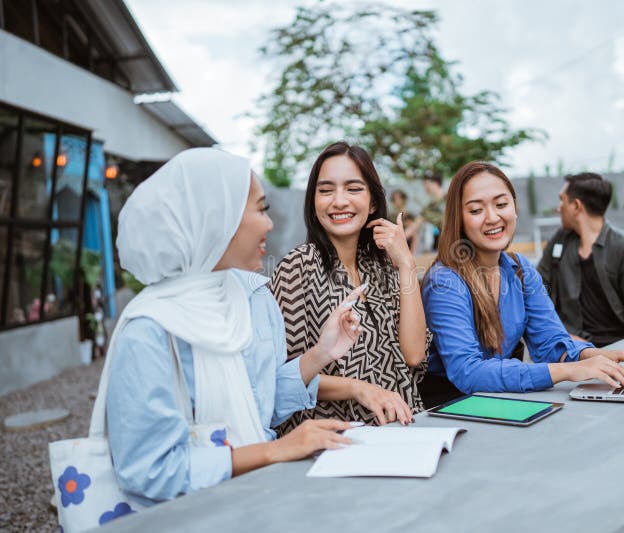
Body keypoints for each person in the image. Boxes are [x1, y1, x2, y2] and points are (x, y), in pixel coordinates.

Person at [105, 148, 363, 506]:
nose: (270, 224)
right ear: (216, 218)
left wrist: (322, 353)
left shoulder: (254, 298)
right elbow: (148, 470)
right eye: (260, 209)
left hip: (260, 499)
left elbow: (263, 405)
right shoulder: (151, 329)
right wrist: (274, 451)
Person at [421, 161, 624, 407]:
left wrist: (598, 355)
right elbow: (468, 372)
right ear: (459, 219)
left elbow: (550, 342)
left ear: (514, 208)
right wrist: (570, 371)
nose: (492, 217)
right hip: (451, 407)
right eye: (476, 210)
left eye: (501, 204)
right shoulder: (445, 281)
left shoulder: (519, 268)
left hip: (499, 399)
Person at [270, 141, 429, 429]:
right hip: (338, 437)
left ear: (371, 202)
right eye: (326, 190)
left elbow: (414, 354)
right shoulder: (299, 265)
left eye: (353, 189)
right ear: (313, 201)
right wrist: (359, 388)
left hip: (406, 426)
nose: (339, 201)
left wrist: (406, 264)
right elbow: (284, 376)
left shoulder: (381, 266)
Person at [537, 173, 624, 347]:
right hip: (569, 348)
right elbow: (537, 288)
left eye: (562, 200)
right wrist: (557, 333)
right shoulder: (559, 240)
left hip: (617, 351)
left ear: (576, 206)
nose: (559, 208)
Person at [407, 171, 445, 251]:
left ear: (435, 183)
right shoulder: (429, 208)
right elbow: (414, 226)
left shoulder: (452, 198)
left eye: (426, 184)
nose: (425, 188)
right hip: (448, 246)